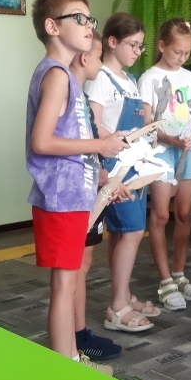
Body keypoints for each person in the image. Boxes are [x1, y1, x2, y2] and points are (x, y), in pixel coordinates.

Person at [26, 0, 128, 372]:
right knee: (64, 287)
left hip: (73, 197)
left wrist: (101, 178)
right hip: (61, 199)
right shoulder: (56, 75)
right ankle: (66, 369)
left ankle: (72, 361)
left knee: (67, 285)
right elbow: (42, 142)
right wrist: (101, 144)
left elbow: (69, 143)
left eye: (90, 19)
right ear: (53, 27)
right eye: (79, 19)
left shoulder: (65, 76)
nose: (89, 26)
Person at [86, 13, 160, 333]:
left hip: (134, 164)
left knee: (122, 232)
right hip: (114, 167)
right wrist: (123, 141)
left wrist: (146, 137)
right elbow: (93, 126)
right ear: (112, 42)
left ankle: (124, 293)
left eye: (141, 46)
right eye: (132, 44)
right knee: (131, 231)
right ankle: (117, 307)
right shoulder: (100, 78)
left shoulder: (129, 80)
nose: (137, 52)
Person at [139, 19, 191, 310]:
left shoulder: (190, 78)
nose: (182, 57)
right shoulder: (149, 79)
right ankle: (165, 281)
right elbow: (146, 124)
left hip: (188, 151)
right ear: (161, 46)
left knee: (183, 213)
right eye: (176, 52)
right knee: (160, 215)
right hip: (161, 152)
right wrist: (170, 139)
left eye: (186, 53)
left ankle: (180, 275)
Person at [70, 30, 127, 362]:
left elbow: (88, 154)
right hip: (76, 195)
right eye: (99, 55)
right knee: (74, 268)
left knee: (85, 262)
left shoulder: (80, 98)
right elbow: (57, 147)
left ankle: (79, 335)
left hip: (93, 188)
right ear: (84, 57)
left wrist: (108, 181)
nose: (102, 63)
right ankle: (74, 341)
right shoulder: (69, 95)